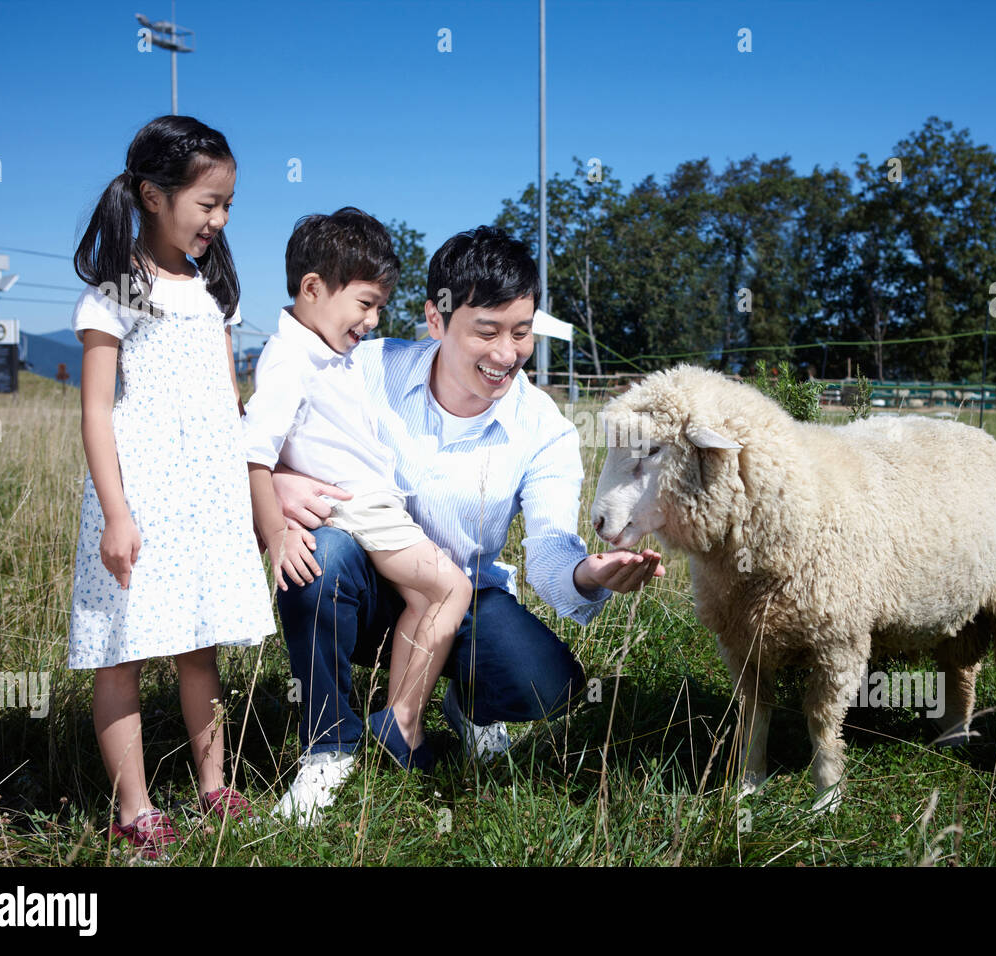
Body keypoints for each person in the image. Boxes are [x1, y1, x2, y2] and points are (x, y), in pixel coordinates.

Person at [270, 225, 664, 824]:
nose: (506, 354)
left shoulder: (544, 429)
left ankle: (465, 705)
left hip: (469, 602)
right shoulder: (366, 368)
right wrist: (276, 480)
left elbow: (551, 550)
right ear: (436, 319)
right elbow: (268, 421)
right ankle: (328, 746)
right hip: (368, 589)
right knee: (322, 554)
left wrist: (589, 574)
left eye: (522, 332)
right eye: (487, 331)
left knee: (547, 683)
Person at [68, 115, 275, 860]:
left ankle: (213, 785)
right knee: (121, 653)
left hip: (207, 495)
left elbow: (230, 401)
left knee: (199, 648)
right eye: (207, 203)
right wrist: (117, 514)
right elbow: (95, 410)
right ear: (153, 196)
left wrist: (254, 499)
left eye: (226, 206)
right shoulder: (117, 288)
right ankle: (135, 807)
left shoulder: (214, 288)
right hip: (140, 496)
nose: (219, 220)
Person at [242, 208, 472, 772]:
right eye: (365, 304)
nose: (371, 321)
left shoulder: (326, 352)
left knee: (433, 595)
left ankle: (396, 717)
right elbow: (252, 448)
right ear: (313, 288)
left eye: (378, 308)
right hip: (358, 508)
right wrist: (273, 530)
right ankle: (401, 726)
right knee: (450, 591)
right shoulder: (291, 359)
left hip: (365, 506)